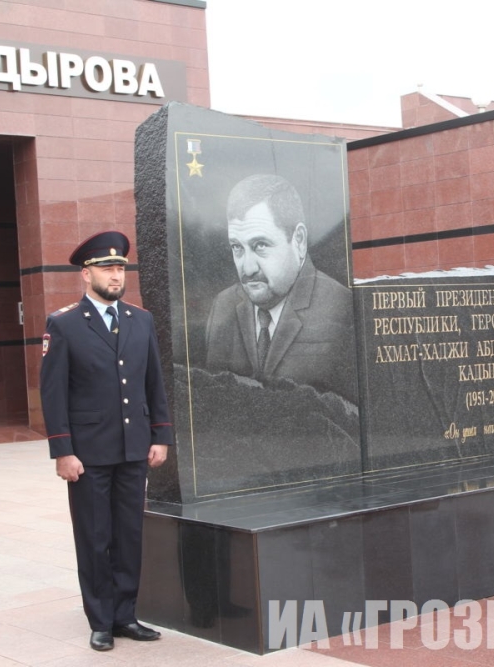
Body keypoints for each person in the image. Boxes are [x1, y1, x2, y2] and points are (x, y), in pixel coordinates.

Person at [39, 231, 174, 652]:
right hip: (89, 455)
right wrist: (63, 450)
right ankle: (100, 619)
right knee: (95, 537)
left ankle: (125, 615)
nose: (116, 276)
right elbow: (53, 393)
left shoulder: (140, 320)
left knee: (130, 534)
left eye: (120, 268)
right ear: (86, 274)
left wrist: (161, 436)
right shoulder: (63, 324)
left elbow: (154, 382)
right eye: (107, 268)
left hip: (134, 448)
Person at [204, 173, 357, 403]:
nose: (248, 267)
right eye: (237, 247)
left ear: (299, 240)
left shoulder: (341, 307)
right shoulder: (223, 306)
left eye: (261, 245)